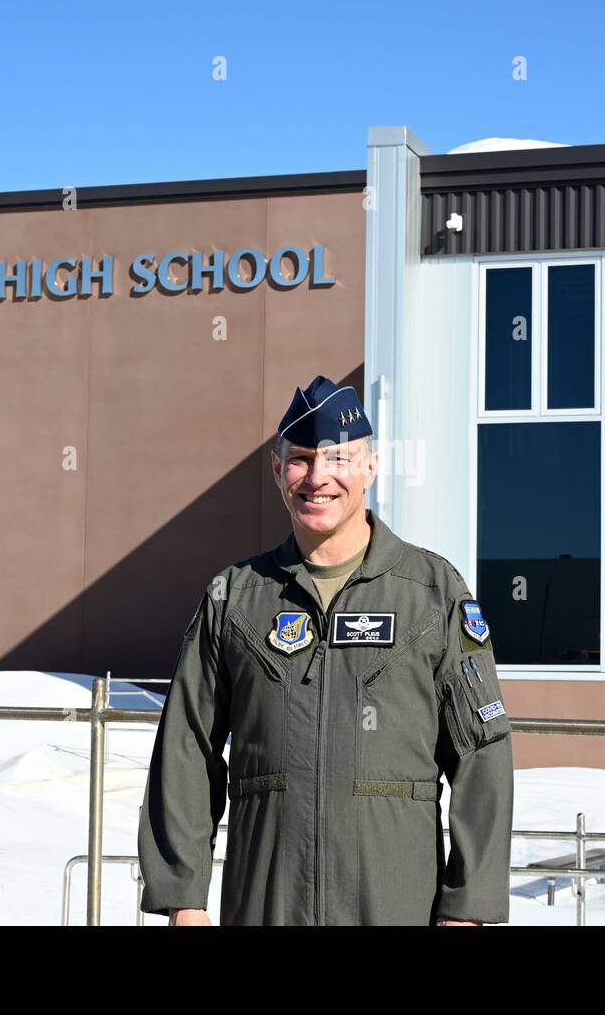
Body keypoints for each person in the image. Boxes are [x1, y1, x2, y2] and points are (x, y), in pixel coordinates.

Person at [136, 375, 513, 925]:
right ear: (276, 468)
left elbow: (482, 753)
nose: (318, 478)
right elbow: (186, 748)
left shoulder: (433, 593)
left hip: (394, 905)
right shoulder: (236, 597)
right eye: (301, 459)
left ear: (370, 466)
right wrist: (183, 898)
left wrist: (467, 907)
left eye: (338, 458)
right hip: (266, 905)